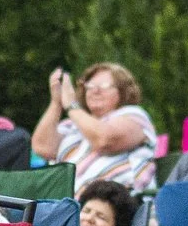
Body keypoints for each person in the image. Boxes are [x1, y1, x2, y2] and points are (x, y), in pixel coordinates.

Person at [35, 62, 161, 192]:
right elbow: (43, 148)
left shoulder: (134, 116)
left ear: (123, 91)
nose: (95, 90)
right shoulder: (73, 125)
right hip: (69, 203)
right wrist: (57, 102)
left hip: (114, 201)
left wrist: (71, 105)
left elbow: (104, 140)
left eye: (104, 86)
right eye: (90, 86)